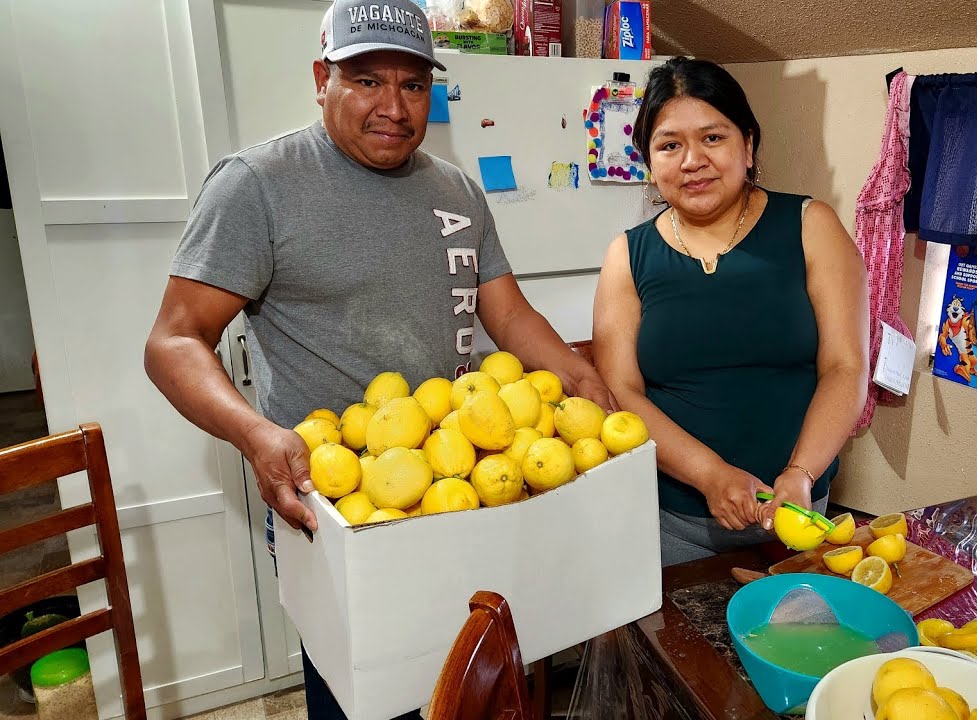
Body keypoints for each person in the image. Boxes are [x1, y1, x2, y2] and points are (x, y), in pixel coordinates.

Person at [143, 0, 614, 716]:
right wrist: (256, 436)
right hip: (336, 502)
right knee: (365, 694)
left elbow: (509, 313)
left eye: (414, 85)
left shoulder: (457, 189)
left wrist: (580, 378)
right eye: (367, 80)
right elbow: (174, 341)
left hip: (464, 482)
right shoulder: (257, 185)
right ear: (321, 79)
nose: (394, 106)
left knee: (472, 680)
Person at [591, 57, 870, 567]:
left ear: (748, 145)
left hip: (797, 521)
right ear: (650, 162)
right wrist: (709, 474)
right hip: (670, 527)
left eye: (713, 138)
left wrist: (801, 472)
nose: (692, 160)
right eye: (670, 144)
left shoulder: (811, 226)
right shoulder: (626, 257)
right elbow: (621, 392)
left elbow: (846, 367)